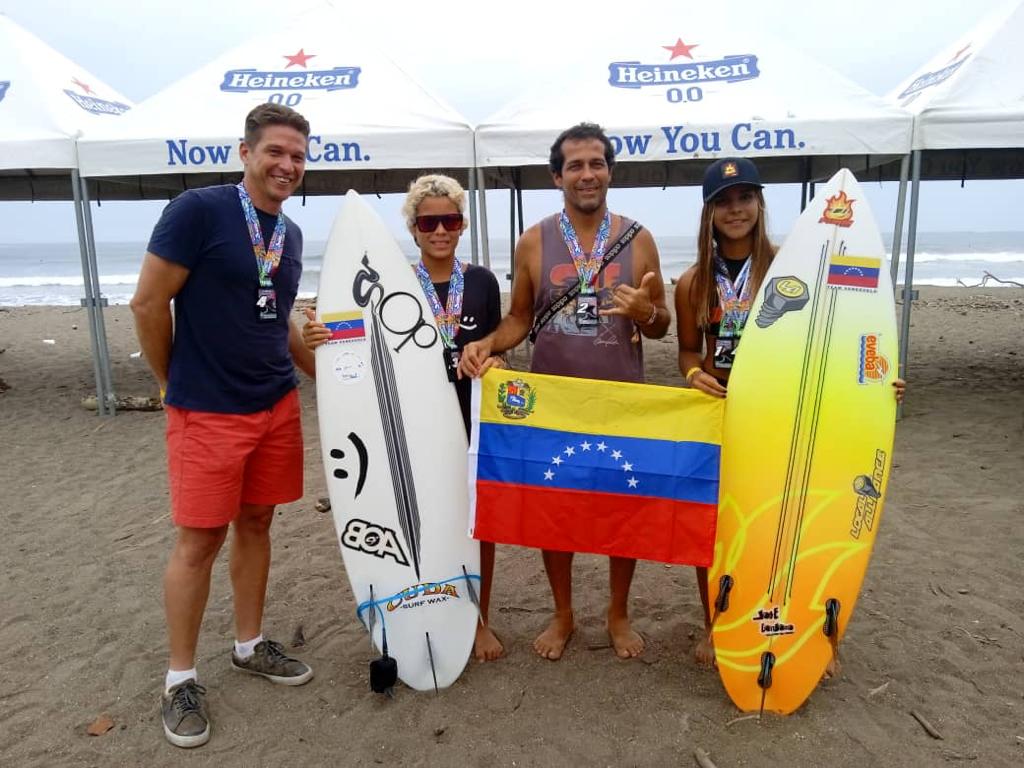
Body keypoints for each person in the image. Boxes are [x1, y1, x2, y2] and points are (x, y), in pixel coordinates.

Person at [131, 103, 316, 749]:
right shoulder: (199, 210)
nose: (287, 165)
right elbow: (149, 301)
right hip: (207, 410)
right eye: (275, 152)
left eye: (297, 155)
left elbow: (280, 319)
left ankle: (248, 644)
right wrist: (170, 383)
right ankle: (179, 678)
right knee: (198, 541)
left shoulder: (288, 236)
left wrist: (327, 371)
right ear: (246, 153)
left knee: (259, 523)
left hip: (274, 405)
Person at [674, 157, 906, 666]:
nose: (736, 210)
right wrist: (694, 374)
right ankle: (719, 625)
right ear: (709, 213)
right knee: (717, 527)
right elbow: (688, 351)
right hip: (722, 415)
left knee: (789, 518)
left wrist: (876, 382)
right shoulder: (693, 282)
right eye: (724, 202)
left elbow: (841, 338)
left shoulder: (794, 269)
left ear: (759, 204)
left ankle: (798, 628)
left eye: (745, 199)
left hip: (782, 412)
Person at [459, 122, 670, 661]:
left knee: (624, 509)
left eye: (596, 163)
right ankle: (563, 613)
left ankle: (618, 613)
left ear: (610, 172)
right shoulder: (534, 239)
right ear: (557, 176)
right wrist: (487, 343)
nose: (587, 174)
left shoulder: (639, 237)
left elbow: (661, 324)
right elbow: (519, 320)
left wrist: (648, 312)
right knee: (558, 510)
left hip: (622, 401)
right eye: (575, 165)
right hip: (553, 406)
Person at [301, 174, 506, 661]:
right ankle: (418, 608)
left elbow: (497, 346)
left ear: (462, 225)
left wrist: (494, 361)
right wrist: (317, 343)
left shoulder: (480, 282)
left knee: (476, 525)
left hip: (471, 419)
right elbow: (352, 356)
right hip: (414, 425)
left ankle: (477, 619)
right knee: (428, 518)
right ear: (413, 229)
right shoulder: (390, 284)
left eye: (450, 220)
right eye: (428, 221)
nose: (440, 230)